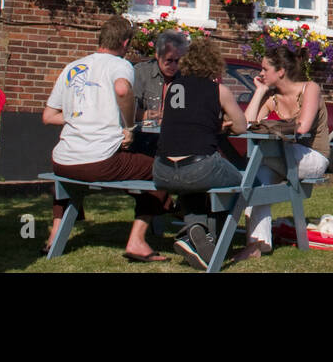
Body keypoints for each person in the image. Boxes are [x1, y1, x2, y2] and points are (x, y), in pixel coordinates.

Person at [42, 16, 171, 261]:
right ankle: (137, 242)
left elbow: (49, 116)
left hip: (62, 161)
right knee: (163, 169)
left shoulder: (72, 67)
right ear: (125, 43)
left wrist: (82, 117)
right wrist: (129, 125)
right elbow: (122, 90)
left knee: (69, 179)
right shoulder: (119, 65)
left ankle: (54, 237)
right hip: (98, 161)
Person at [151, 36, 248, 270]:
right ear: (214, 64)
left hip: (162, 170)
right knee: (241, 184)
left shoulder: (173, 87)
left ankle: (194, 231)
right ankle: (210, 241)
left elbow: (182, 118)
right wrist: (223, 123)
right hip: (199, 166)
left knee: (192, 184)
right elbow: (241, 126)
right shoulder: (219, 91)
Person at [235, 47, 330, 260]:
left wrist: (269, 126)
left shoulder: (309, 88)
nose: (260, 74)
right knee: (256, 180)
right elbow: (247, 125)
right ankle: (258, 244)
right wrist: (259, 91)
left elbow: (303, 126)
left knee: (256, 159)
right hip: (281, 156)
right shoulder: (272, 96)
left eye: (264, 69)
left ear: (280, 71)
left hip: (312, 156)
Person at [130, 30, 188, 155]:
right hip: (143, 140)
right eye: (169, 60)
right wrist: (146, 115)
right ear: (157, 55)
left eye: (177, 61)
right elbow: (130, 109)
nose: (173, 66)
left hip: (174, 141)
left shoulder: (185, 77)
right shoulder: (141, 72)